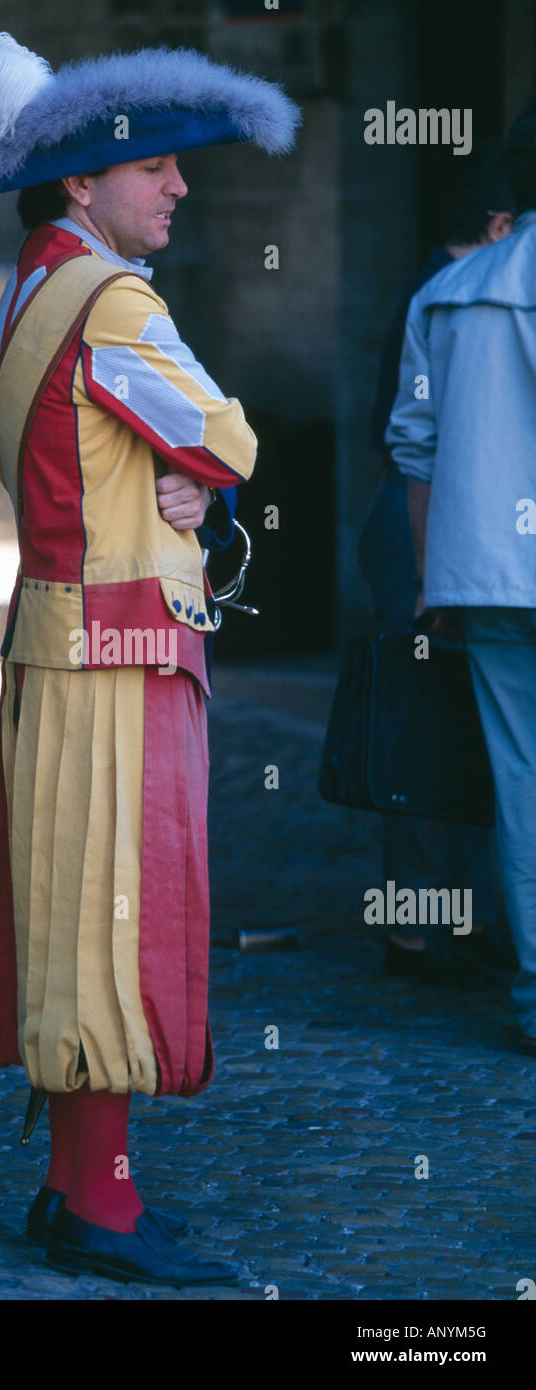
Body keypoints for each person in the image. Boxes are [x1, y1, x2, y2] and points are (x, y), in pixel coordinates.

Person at [0, 29, 300, 1285]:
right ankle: (98, 1209)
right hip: (117, 659)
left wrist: (185, 481)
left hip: (66, 649)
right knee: (113, 929)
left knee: (76, 921)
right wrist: (207, 476)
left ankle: (80, 1189)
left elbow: (160, 453)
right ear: (81, 183)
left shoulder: (36, 276)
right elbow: (229, 433)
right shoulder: (114, 299)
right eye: (158, 169)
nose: (180, 188)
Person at [386, 98, 536, 1057]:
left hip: (485, 573)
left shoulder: (444, 295)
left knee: (522, 788)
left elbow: (416, 450)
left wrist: (427, 581)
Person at [358, 143, 515, 989]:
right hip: (417, 522)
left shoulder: (440, 291)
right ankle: (419, 930)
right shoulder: (449, 297)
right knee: (423, 722)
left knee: (449, 723)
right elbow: (411, 441)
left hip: (425, 518)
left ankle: (464, 921)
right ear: (498, 225)